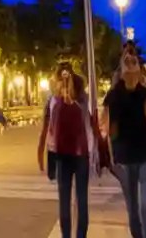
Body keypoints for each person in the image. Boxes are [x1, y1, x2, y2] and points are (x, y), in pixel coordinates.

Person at [103, 51, 146, 238]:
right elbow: (106, 126)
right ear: (121, 70)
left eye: (134, 62)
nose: (131, 65)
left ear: (140, 70)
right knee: (133, 208)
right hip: (124, 159)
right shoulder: (113, 96)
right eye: (127, 62)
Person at [38, 67, 100, 238]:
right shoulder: (83, 99)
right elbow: (91, 125)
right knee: (81, 201)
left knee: (64, 202)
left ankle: (66, 236)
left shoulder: (53, 100)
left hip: (61, 156)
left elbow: (46, 130)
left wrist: (41, 154)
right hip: (81, 155)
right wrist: (97, 146)